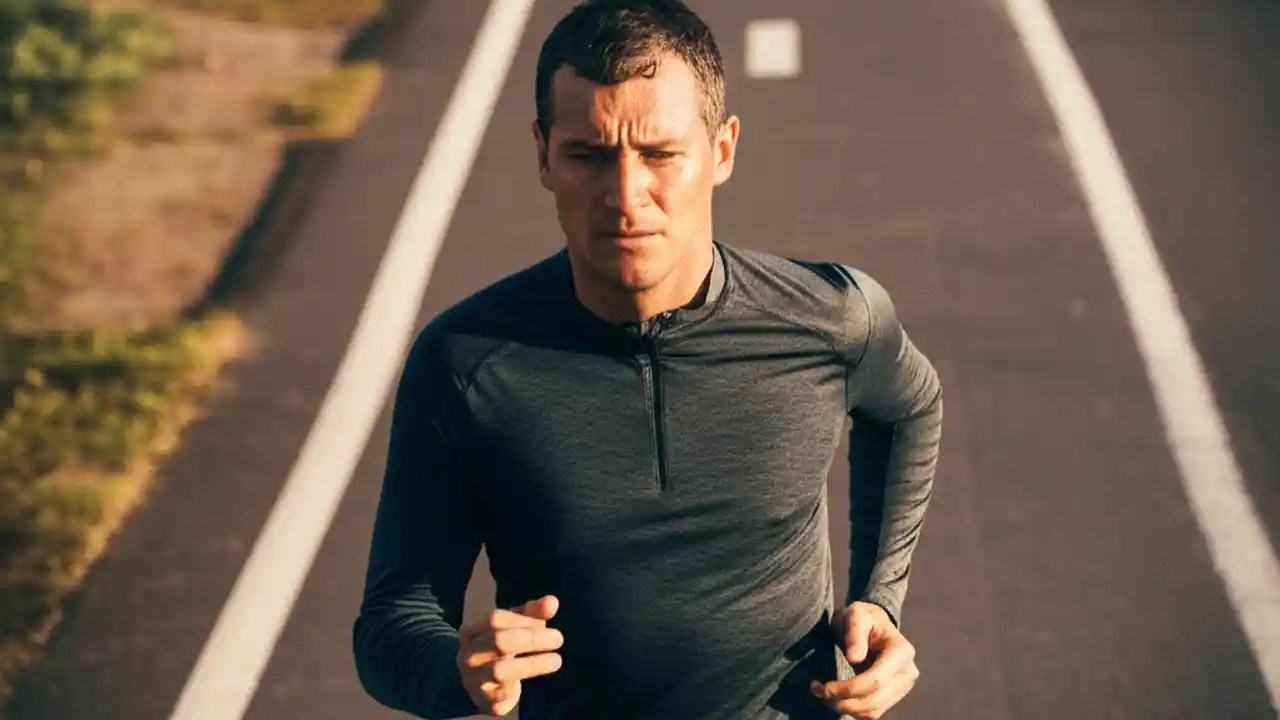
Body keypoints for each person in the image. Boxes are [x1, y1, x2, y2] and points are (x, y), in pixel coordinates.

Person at [352, 1, 943, 718]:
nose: (626, 196)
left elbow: (910, 407)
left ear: (722, 151)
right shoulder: (465, 364)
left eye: (660, 154)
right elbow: (391, 623)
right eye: (588, 154)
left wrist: (879, 598)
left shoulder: (832, 319)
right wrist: (458, 670)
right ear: (542, 155)